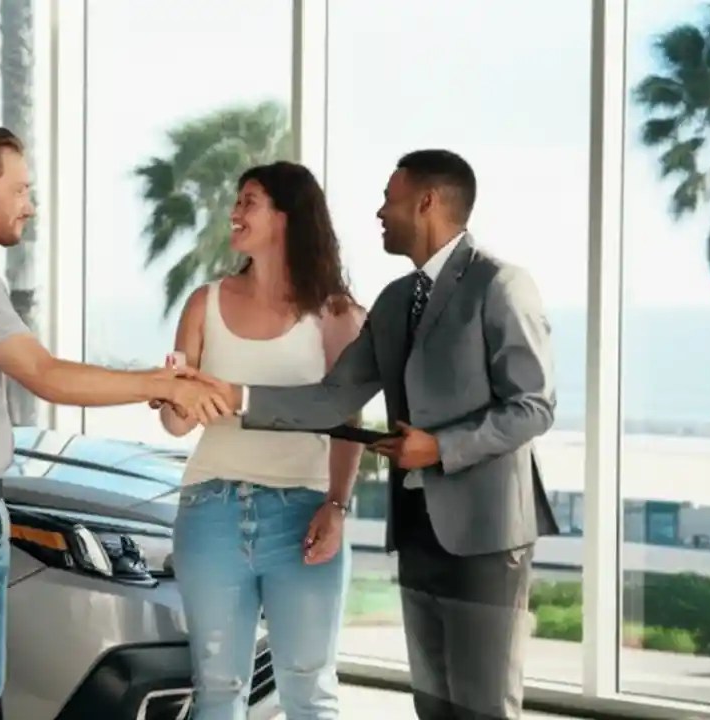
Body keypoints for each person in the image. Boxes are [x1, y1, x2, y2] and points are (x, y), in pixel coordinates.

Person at [0, 125, 227, 720]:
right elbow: (45, 374)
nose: (31, 206)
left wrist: (156, 381)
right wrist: (160, 384)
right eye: (20, 190)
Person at [197, 149, 560, 719]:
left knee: (484, 706)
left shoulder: (501, 284)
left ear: (428, 202)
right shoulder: (394, 302)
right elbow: (331, 399)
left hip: (488, 534)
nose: (379, 212)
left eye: (389, 199)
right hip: (417, 530)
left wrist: (439, 447)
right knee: (435, 704)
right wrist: (232, 397)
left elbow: (534, 406)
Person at [155, 161, 365, 720]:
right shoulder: (205, 302)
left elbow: (348, 423)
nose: (235, 212)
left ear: (287, 216)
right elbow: (178, 424)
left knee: (309, 687)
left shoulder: (337, 315)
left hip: (304, 512)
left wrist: (337, 505)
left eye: (249, 201)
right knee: (218, 689)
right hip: (211, 509)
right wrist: (173, 400)